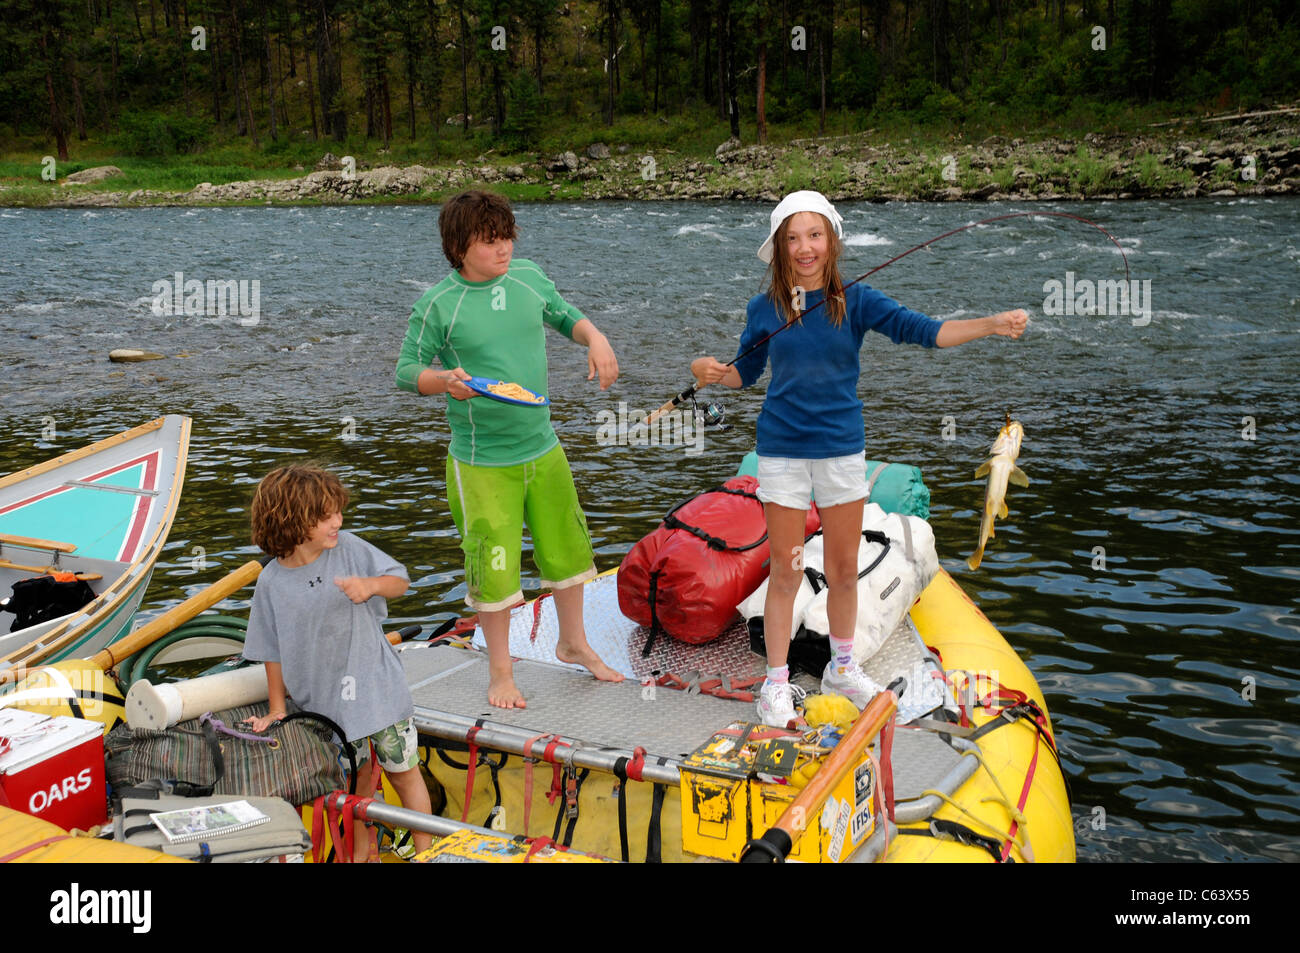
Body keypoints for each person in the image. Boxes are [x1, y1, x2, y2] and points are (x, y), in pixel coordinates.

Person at [691, 191, 1028, 728]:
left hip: (842, 452)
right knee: (787, 570)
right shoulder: (764, 309)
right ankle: (775, 685)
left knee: (845, 570)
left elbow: (927, 332)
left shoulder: (858, 299)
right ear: (779, 248)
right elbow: (744, 373)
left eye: (815, 235)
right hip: (780, 453)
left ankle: (842, 668)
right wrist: (712, 371)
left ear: (833, 241)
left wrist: (991, 324)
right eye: (793, 238)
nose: (805, 248)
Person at [395, 190, 624, 709]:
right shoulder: (437, 304)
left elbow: (566, 316)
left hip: (543, 448)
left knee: (567, 551)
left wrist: (596, 338)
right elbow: (407, 370)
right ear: (459, 247)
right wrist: (444, 382)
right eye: (490, 241)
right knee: (492, 567)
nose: (504, 249)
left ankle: (573, 642)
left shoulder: (528, 277)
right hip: (481, 462)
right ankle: (501, 671)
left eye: (508, 238)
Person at [243, 465, 433, 861]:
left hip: (379, 692)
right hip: (327, 706)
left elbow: (399, 580)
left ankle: (428, 852)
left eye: (338, 512)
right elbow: (269, 649)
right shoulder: (271, 582)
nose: (337, 521)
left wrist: (372, 586)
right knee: (355, 783)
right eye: (326, 516)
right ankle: (364, 855)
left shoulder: (347, 548)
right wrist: (278, 709)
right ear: (293, 521)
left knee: (404, 773)